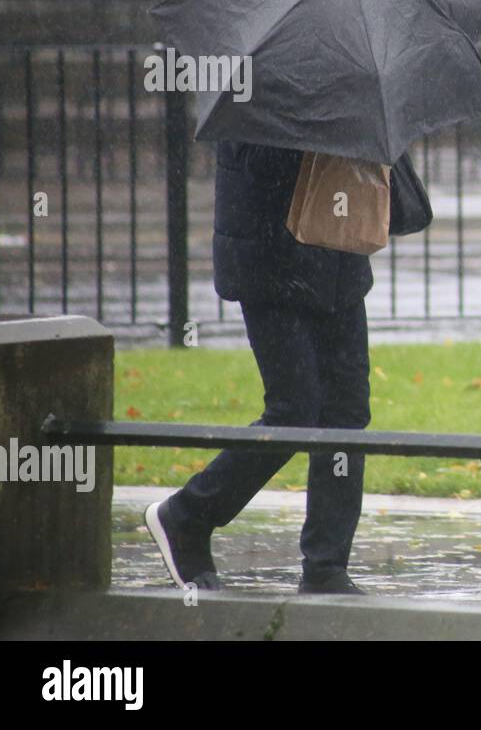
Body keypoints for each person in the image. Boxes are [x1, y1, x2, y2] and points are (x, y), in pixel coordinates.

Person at [144, 141, 374, 595]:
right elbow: (255, 159)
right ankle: (187, 515)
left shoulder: (344, 78)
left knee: (347, 415)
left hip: (339, 259)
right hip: (269, 260)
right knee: (295, 411)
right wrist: (322, 132)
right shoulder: (259, 76)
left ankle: (327, 565)